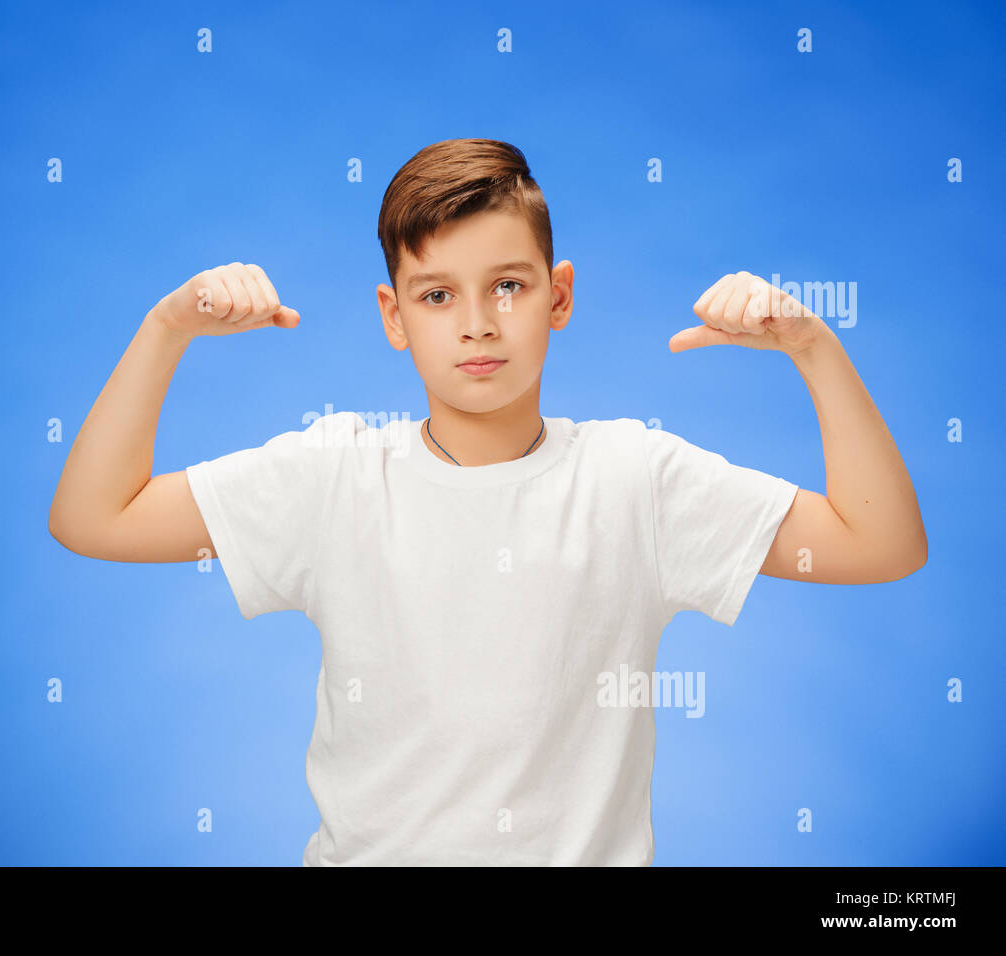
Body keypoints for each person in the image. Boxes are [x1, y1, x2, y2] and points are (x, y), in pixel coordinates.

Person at [47, 138, 927, 866]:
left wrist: (814, 349)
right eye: (438, 296)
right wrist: (167, 330)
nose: (477, 322)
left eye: (508, 285)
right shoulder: (333, 478)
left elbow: (881, 544)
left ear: (560, 296)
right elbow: (94, 518)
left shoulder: (636, 480)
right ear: (395, 317)